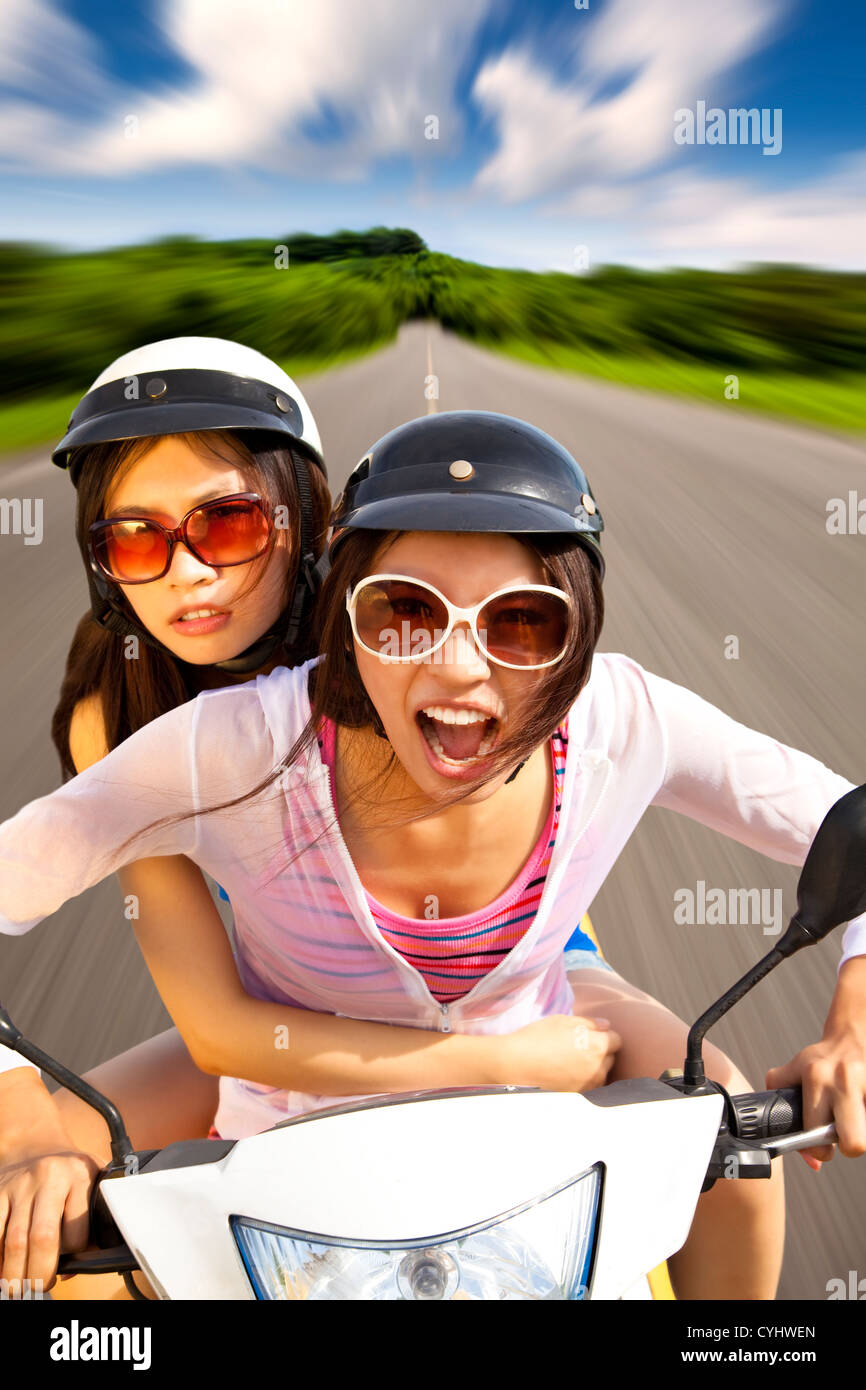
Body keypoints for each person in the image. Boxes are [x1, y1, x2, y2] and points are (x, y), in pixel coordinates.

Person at [1, 410, 864, 1300]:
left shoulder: (621, 718)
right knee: (39, 1259)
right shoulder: (227, 748)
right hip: (285, 1110)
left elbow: (851, 820)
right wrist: (16, 1105)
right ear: (344, 617)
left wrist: (857, 1020)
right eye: (404, 614)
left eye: (522, 623)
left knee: (732, 1149)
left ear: (581, 639)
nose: (458, 669)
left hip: (524, 1028)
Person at [0, 386, 613, 1299]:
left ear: (305, 522)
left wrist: (505, 1050)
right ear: (101, 564)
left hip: (517, 966)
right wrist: (21, 1136)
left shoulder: (382, 639)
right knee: (41, 1227)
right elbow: (215, 1021)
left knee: (726, 1123)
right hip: (277, 1007)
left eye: (231, 524)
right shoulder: (122, 717)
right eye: (136, 538)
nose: (189, 573)